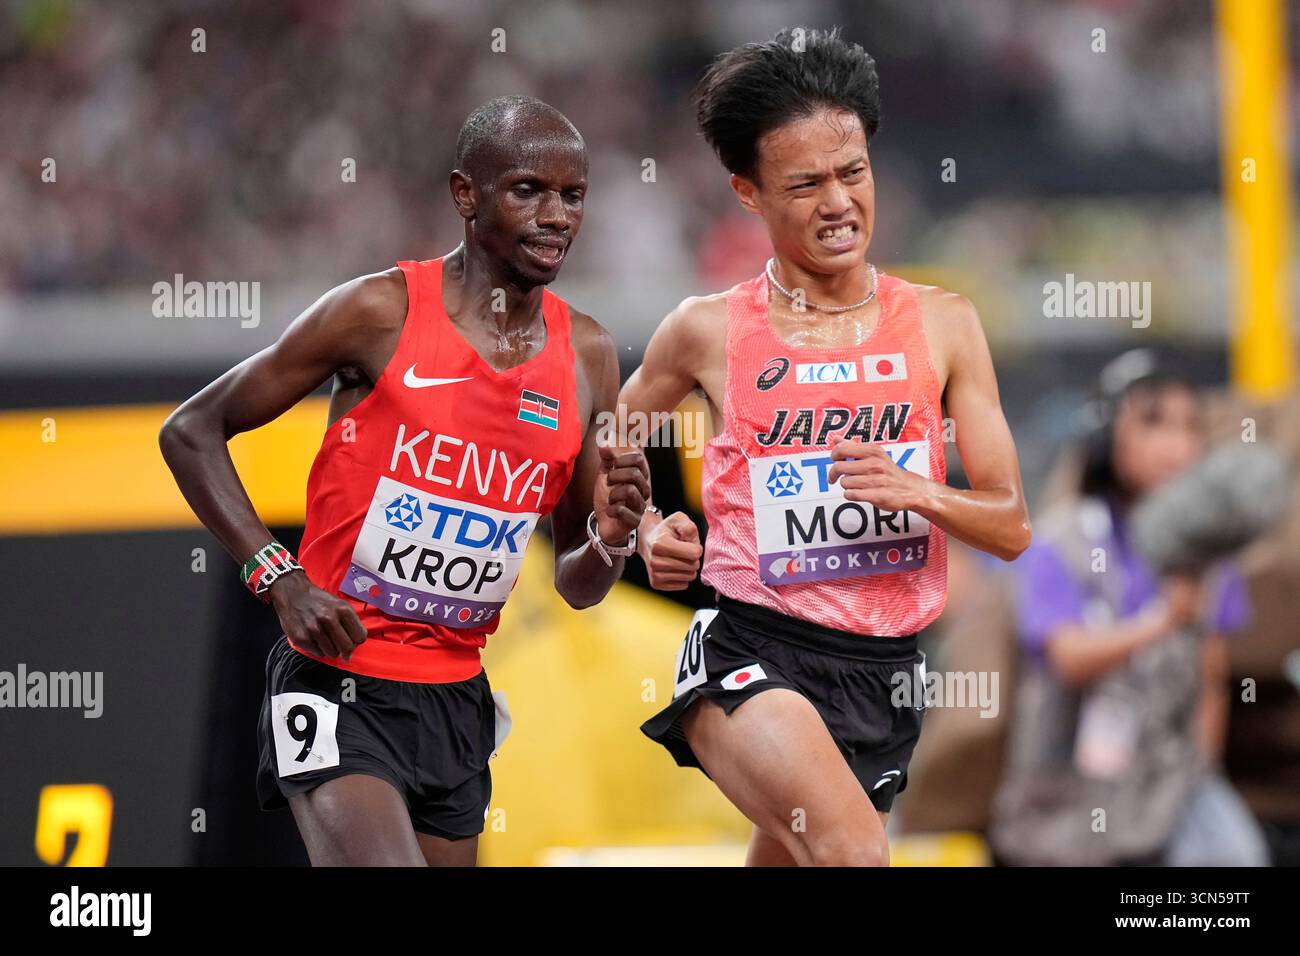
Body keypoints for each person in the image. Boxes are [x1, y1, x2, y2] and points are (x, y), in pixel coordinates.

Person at [159, 95, 649, 866]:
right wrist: (278, 578)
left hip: (456, 700)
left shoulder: (588, 354)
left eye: (573, 195)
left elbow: (579, 584)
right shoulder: (377, 311)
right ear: (466, 195)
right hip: (337, 679)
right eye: (528, 189)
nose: (556, 215)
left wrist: (613, 541)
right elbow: (191, 430)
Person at [620, 28, 1031, 867]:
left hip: (883, 672)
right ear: (749, 192)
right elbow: (608, 447)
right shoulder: (703, 330)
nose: (838, 202)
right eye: (805, 184)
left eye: (853, 173)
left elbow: (1012, 525)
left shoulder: (945, 324)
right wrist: (642, 530)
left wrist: (921, 493)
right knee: (854, 853)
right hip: (749, 649)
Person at [989, 351, 1270, 866]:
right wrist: (1161, 620)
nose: (1176, 444)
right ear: (1107, 435)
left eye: (1189, 426)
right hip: (1069, 787)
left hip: (1170, 786)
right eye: (1153, 422)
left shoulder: (1209, 555)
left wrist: (1196, 777)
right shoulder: (1062, 540)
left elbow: (1212, 678)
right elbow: (1069, 658)